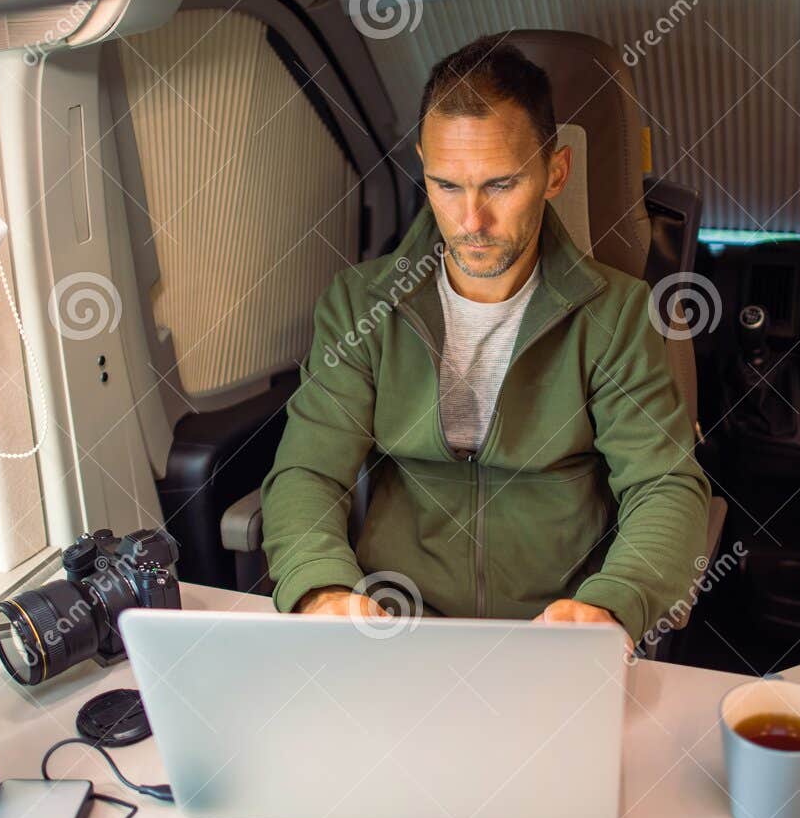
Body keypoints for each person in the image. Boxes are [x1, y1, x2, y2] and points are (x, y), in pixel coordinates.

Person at [259, 34, 709, 643]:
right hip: (396, 630)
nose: (471, 222)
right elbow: (308, 471)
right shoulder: (361, 305)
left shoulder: (619, 315)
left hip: (553, 632)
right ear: (423, 165)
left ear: (556, 172)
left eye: (500, 185)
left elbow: (663, 484)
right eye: (447, 185)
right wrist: (321, 587)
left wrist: (612, 605)